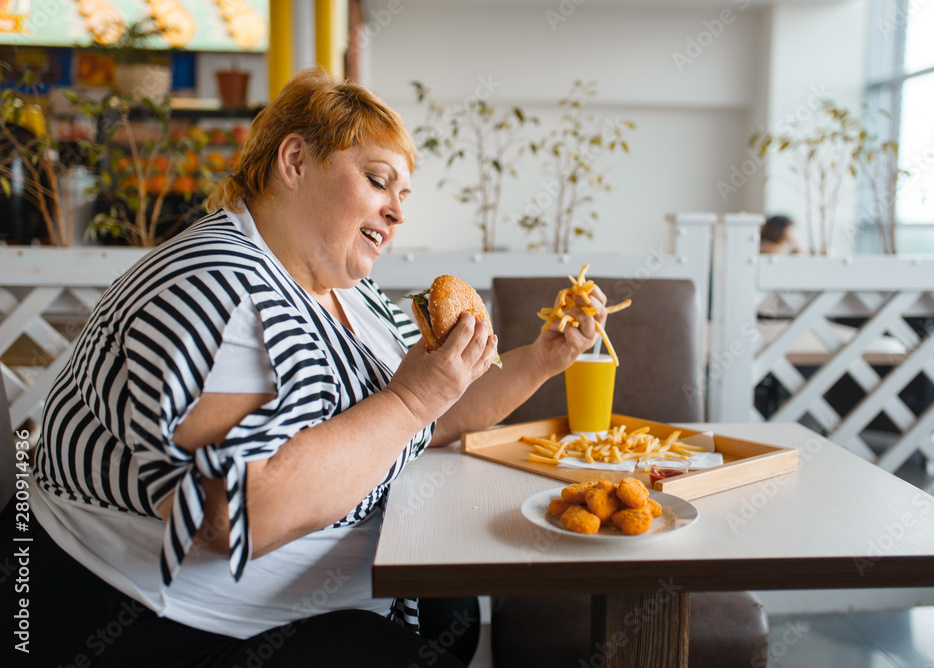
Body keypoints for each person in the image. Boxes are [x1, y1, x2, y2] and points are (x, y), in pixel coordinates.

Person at [6, 68, 606, 666]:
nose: (396, 212)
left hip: (308, 589)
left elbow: (439, 412)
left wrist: (542, 358)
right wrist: (409, 401)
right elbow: (229, 515)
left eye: (403, 195)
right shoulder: (216, 288)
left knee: (450, 612)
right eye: (378, 181)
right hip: (136, 617)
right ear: (294, 161)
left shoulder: (352, 293)